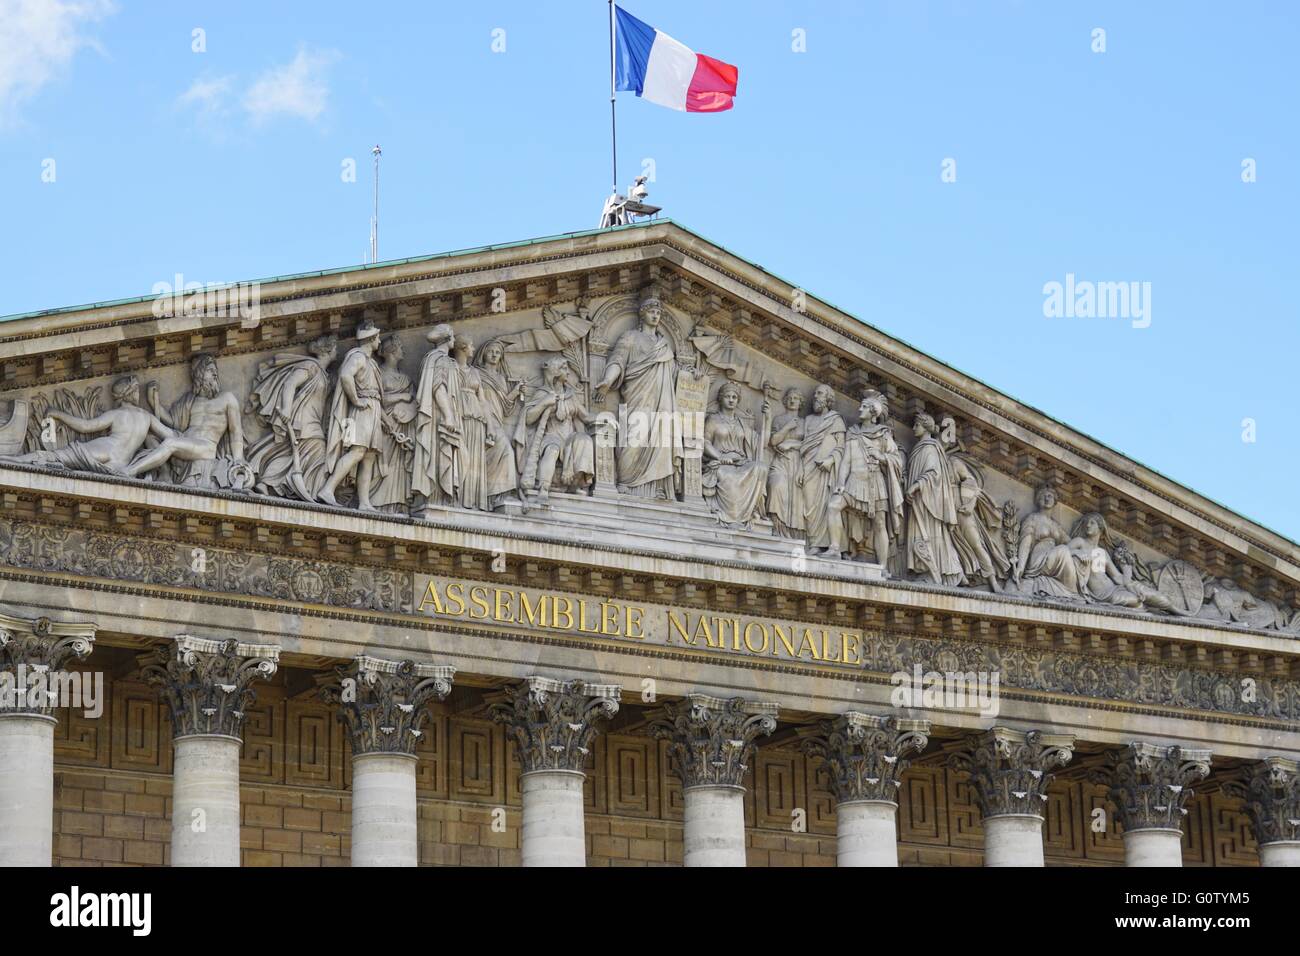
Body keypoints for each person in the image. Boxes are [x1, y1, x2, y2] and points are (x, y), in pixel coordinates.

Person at [592, 285, 681, 500]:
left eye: (658, 312)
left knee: (661, 438)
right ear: (642, 314)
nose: (656, 315)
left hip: (663, 402)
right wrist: (606, 381)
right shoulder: (630, 337)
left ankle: (657, 487)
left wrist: (693, 377)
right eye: (652, 311)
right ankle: (627, 482)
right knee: (634, 436)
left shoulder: (664, 345)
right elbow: (617, 362)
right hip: (637, 397)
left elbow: (674, 375)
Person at [128, 353, 247, 486]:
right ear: (198, 374)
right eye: (209, 370)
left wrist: (238, 459)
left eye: (215, 371)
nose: (215, 374)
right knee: (148, 422)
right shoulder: (190, 400)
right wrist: (152, 401)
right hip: (184, 438)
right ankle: (164, 474)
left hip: (205, 446)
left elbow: (235, 431)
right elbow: (173, 422)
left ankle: (129, 471)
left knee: (170, 443)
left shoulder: (227, 398)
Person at [244, 335, 337, 500]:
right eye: (335, 348)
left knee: (292, 454)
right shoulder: (311, 366)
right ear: (328, 350)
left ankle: (266, 482)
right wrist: (286, 409)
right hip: (303, 419)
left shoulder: (324, 375)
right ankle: (310, 492)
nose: (337, 351)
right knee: (317, 451)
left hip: (314, 419)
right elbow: (290, 383)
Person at [1, 375, 153, 475]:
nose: (138, 394)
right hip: (120, 463)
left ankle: (16, 460)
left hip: (102, 450)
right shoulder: (148, 418)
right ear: (130, 393)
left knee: (54, 457)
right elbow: (171, 438)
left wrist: (59, 414)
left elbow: (86, 426)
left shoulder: (117, 414)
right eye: (136, 390)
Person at [829, 390, 904, 564]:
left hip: (874, 483)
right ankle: (834, 548)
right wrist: (840, 483)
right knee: (833, 506)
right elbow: (846, 461)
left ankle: (883, 566)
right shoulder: (853, 432)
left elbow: (896, 460)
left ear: (873, 413)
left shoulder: (883, 434)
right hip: (853, 482)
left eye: (863, 407)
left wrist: (881, 456)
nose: (859, 410)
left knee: (879, 524)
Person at [318, 321, 384, 510]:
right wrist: (355, 400)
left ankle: (364, 502)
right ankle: (328, 489)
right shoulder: (359, 357)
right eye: (377, 337)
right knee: (357, 451)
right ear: (370, 339)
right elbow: (346, 375)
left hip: (373, 410)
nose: (379, 341)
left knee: (369, 457)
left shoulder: (370, 361)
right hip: (359, 412)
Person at [904, 413, 965, 587]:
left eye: (916, 425)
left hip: (928, 502)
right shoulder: (919, 448)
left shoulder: (929, 448)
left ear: (925, 426)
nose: (913, 428)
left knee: (931, 534)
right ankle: (924, 570)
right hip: (918, 501)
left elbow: (933, 473)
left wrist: (916, 486)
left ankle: (935, 571)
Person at [410, 324, 462, 515]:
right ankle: (437, 495)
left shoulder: (432, 358)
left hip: (439, 414)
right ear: (448, 339)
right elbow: (438, 387)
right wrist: (449, 415)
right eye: (453, 337)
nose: (455, 341)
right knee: (441, 452)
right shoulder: (441, 359)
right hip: (440, 416)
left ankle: (437, 495)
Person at [702, 381, 769, 528]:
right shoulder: (713, 420)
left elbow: (762, 443)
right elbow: (705, 442)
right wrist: (720, 457)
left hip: (741, 463)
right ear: (721, 398)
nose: (731, 399)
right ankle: (733, 518)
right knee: (730, 478)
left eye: (734, 397)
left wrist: (768, 418)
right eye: (727, 396)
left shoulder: (741, 423)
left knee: (761, 468)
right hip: (721, 462)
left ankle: (749, 513)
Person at [800, 384, 846, 554]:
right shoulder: (809, 420)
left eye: (819, 393)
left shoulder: (836, 420)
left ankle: (820, 544)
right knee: (809, 504)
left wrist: (830, 460)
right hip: (807, 465)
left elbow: (841, 448)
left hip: (826, 469)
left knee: (825, 505)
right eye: (815, 393)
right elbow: (803, 445)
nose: (815, 397)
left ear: (828, 398)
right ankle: (813, 541)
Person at [765, 387, 805, 537]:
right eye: (789, 397)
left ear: (801, 402)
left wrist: (792, 444)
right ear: (785, 401)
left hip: (798, 463)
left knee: (796, 499)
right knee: (776, 486)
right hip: (781, 460)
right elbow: (773, 441)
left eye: (796, 398)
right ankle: (777, 526)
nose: (792, 400)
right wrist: (788, 427)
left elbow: (811, 445)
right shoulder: (779, 419)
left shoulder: (805, 422)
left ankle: (792, 534)